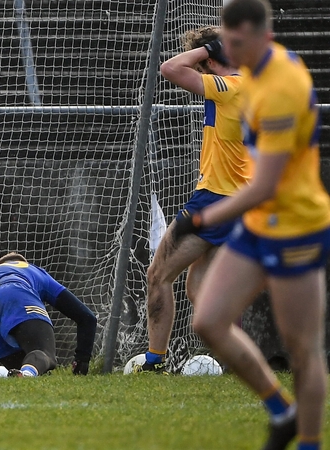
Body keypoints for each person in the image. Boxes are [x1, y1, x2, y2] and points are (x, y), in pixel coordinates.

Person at [174, 1, 328, 449]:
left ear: (264, 35)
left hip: (296, 226)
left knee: (302, 351)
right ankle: (282, 409)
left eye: (238, 43)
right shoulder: (247, 76)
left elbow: (264, 186)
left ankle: (310, 441)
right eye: (226, 42)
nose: (230, 51)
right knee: (209, 319)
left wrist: (199, 220)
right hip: (260, 222)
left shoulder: (281, 86)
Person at [133, 26, 252, 373]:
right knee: (200, 290)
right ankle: (237, 359)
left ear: (212, 60)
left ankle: (154, 361)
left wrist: (207, 52)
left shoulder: (228, 86)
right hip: (240, 201)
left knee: (158, 275)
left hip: (215, 200)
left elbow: (169, 68)